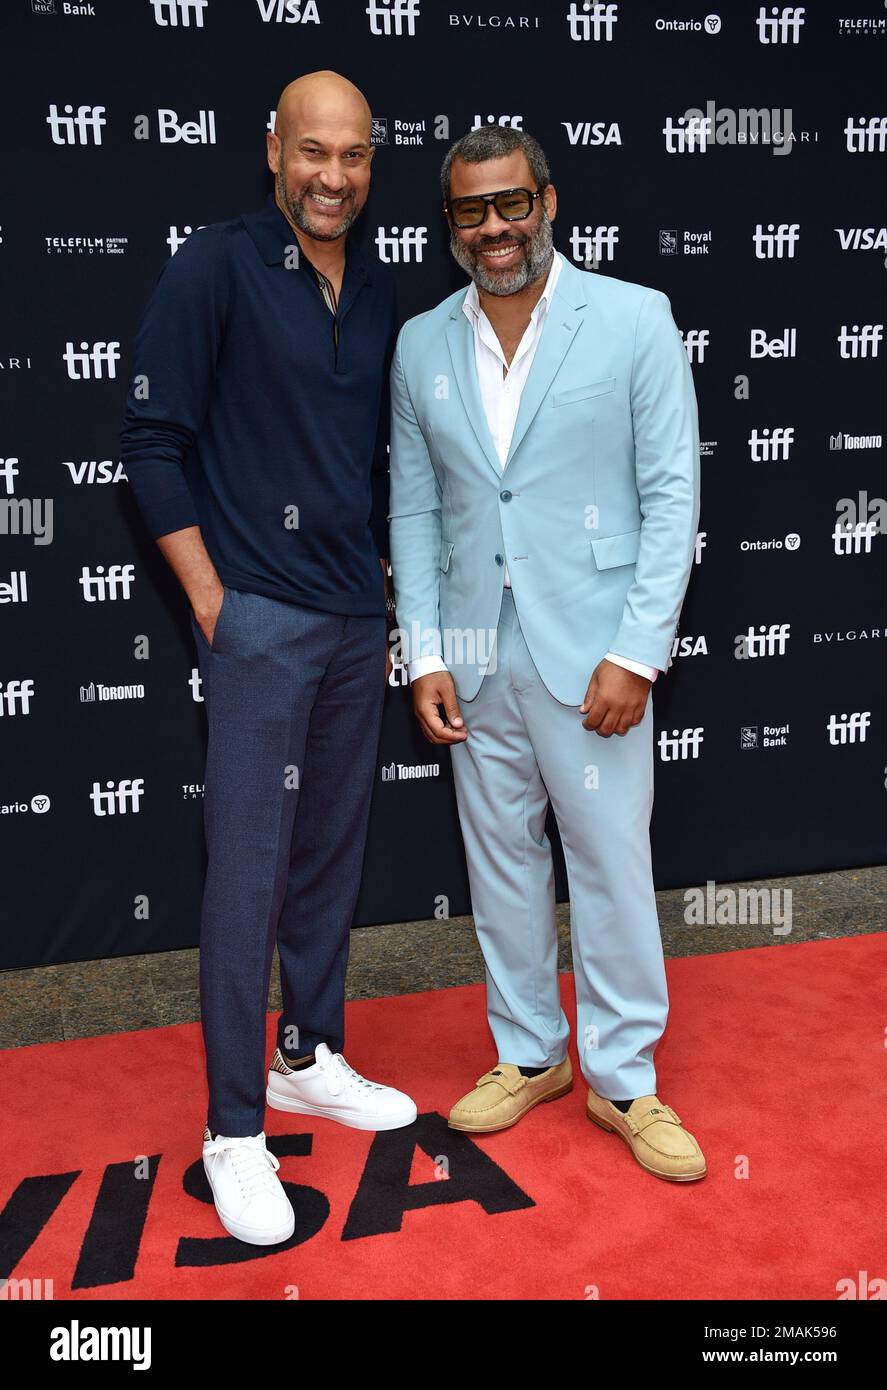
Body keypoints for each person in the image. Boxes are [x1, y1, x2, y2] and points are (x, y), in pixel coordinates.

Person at [119, 70, 416, 1248]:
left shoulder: (387, 288)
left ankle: (308, 1054)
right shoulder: (216, 264)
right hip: (259, 625)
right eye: (311, 153)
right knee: (245, 875)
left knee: (329, 858)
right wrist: (212, 603)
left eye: (351, 156)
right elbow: (149, 438)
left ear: (368, 164)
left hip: (355, 621)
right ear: (272, 152)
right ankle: (233, 1129)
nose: (330, 176)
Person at [388, 126, 705, 1182]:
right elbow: (417, 508)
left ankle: (623, 1078)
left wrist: (638, 651)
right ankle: (527, 1052)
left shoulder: (630, 319)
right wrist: (424, 652)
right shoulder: (421, 343)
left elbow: (670, 496)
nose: (492, 229)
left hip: (595, 653)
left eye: (510, 205)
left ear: (547, 202)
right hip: (476, 647)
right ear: (449, 224)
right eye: (470, 212)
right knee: (501, 865)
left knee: (610, 863)